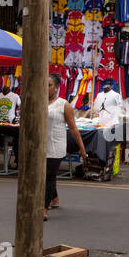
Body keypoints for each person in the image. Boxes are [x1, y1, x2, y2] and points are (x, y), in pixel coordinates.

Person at [45, 74, 87, 219]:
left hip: (56, 144)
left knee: (48, 176)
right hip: (41, 145)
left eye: (49, 85)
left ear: (56, 88)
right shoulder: (40, 101)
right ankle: (54, 198)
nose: (46, 88)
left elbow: (73, 128)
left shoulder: (64, 105)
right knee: (48, 174)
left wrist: (82, 148)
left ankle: (44, 207)